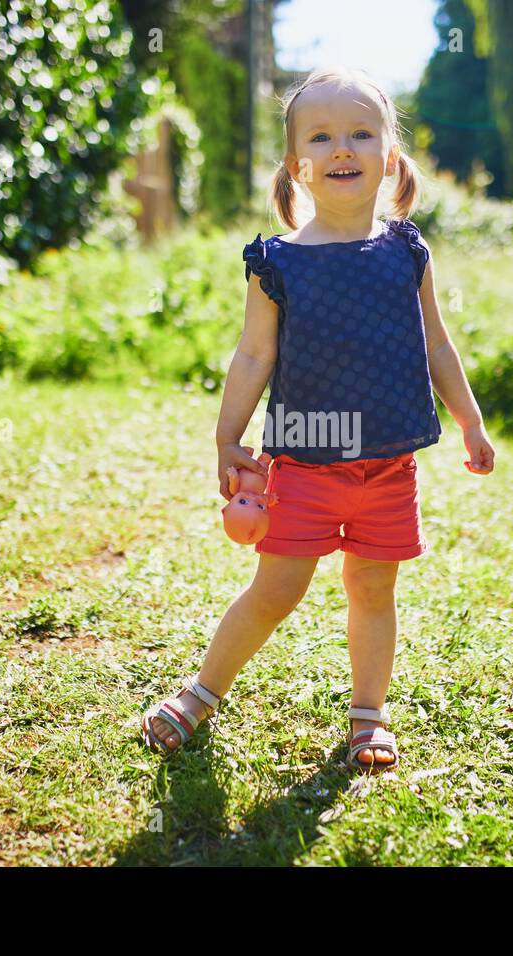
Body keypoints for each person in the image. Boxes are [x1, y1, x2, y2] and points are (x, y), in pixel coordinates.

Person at [140, 66, 495, 773]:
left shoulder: (407, 252)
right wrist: (225, 437)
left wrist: (471, 423)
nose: (343, 147)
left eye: (361, 133)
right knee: (277, 589)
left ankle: (369, 718)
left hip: (389, 466)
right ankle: (201, 693)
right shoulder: (278, 263)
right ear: (297, 165)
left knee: (372, 588)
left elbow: (438, 344)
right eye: (323, 135)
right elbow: (251, 357)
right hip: (302, 463)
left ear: (389, 159)